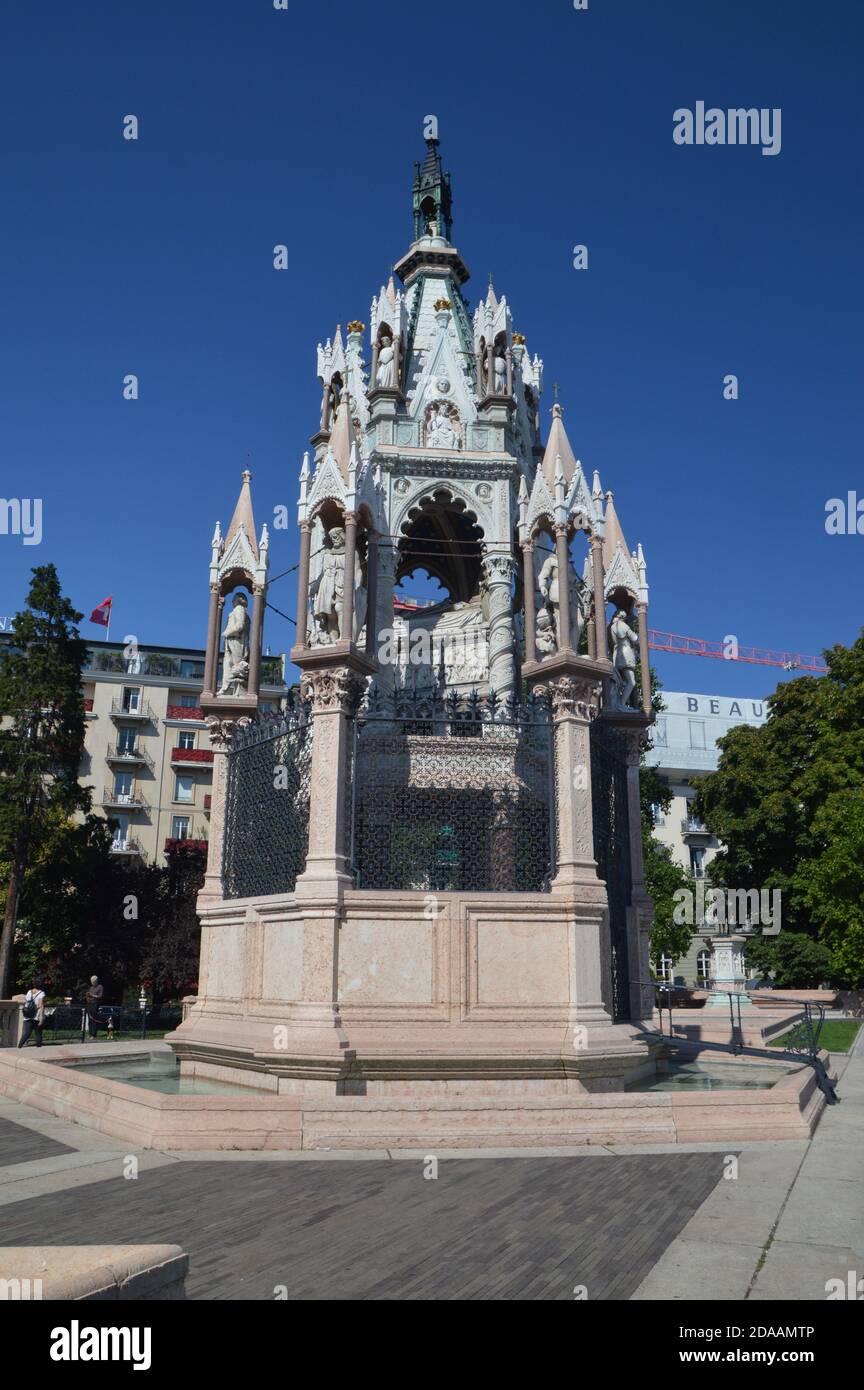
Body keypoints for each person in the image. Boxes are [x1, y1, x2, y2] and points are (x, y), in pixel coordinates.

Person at [18, 982, 46, 1048]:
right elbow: (40, 1005)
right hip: (36, 1016)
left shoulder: (29, 992)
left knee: (27, 1033)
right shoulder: (41, 993)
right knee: (38, 1033)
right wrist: (41, 1018)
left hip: (27, 1015)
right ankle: (38, 1048)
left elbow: (27, 1002)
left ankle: (19, 1046)